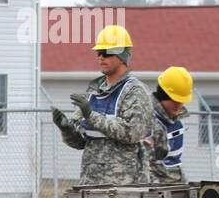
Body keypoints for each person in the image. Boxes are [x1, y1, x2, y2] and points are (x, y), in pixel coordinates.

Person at [50, 24, 152, 186]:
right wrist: (66, 129)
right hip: (90, 183)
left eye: (106, 53)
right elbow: (80, 142)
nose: (100, 57)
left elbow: (132, 132)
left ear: (122, 55)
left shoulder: (135, 91)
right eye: (99, 53)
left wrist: (91, 115)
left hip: (124, 186)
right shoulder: (94, 92)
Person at [148, 66, 191, 185]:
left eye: (181, 100)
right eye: (174, 99)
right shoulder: (145, 120)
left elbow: (175, 162)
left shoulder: (177, 122)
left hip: (175, 188)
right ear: (163, 95)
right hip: (154, 192)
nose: (178, 104)